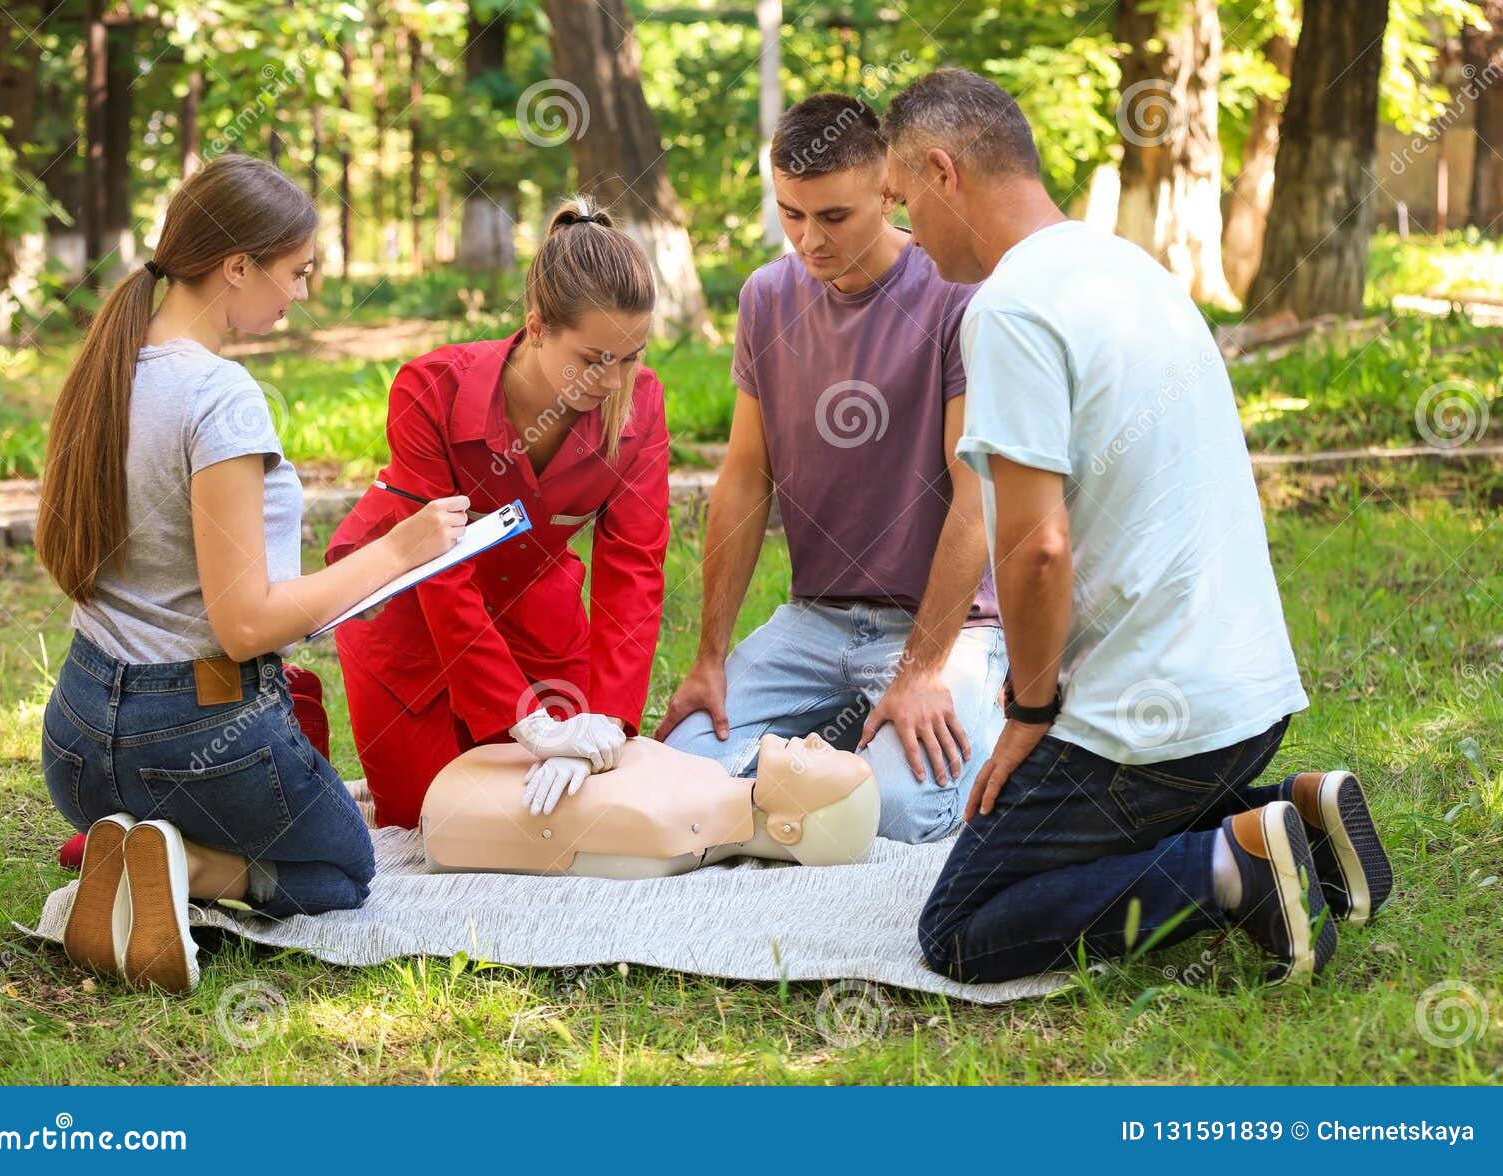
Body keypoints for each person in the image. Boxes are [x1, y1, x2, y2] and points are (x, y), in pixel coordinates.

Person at [881, 68, 1394, 985]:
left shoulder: (1006, 309)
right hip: (1250, 704)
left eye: (899, 199)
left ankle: (1232, 870)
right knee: (1071, 840)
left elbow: (1037, 547)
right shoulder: (1127, 268)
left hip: (1152, 730)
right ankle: (1293, 816)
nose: (904, 230)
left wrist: (1029, 714)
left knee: (961, 926)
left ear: (940, 170)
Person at [36, 155, 470, 994]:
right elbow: (243, 625)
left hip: (79, 741)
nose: (302, 291)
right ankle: (179, 867)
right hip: (197, 734)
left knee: (255, 810)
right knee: (343, 870)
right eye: (296, 270)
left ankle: (126, 844)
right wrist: (400, 550)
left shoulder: (106, 366)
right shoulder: (220, 395)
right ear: (237, 265)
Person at [658, 93, 1003, 845]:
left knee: (905, 810)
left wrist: (921, 671)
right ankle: (826, 775)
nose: (808, 240)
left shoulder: (955, 293)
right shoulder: (766, 298)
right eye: (791, 213)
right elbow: (745, 480)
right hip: (815, 621)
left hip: (946, 629)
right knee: (673, 767)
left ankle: (939, 734)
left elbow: (975, 500)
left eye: (833, 217)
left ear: (889, 187)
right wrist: (710, 659)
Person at [325, 198, 671, 830]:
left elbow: (635, 568)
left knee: (566, 813)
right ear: (537, 327)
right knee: (434, 819)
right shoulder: (430, 388)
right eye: (595, 357)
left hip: (533, 604)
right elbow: (438, 570)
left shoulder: (642, 404)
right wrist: (526, 719)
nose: (615, 379)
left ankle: (350, 793)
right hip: (408, 607)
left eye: (631, 355)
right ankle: (349, 796)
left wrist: (611, 723)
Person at [421, 733, 879, 877]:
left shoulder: (664, 832)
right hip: (471, 766)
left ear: (786, 830)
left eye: (825, 760)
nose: (820, 739)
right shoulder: (705, 780)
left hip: (451, 803)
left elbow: (542, 828)